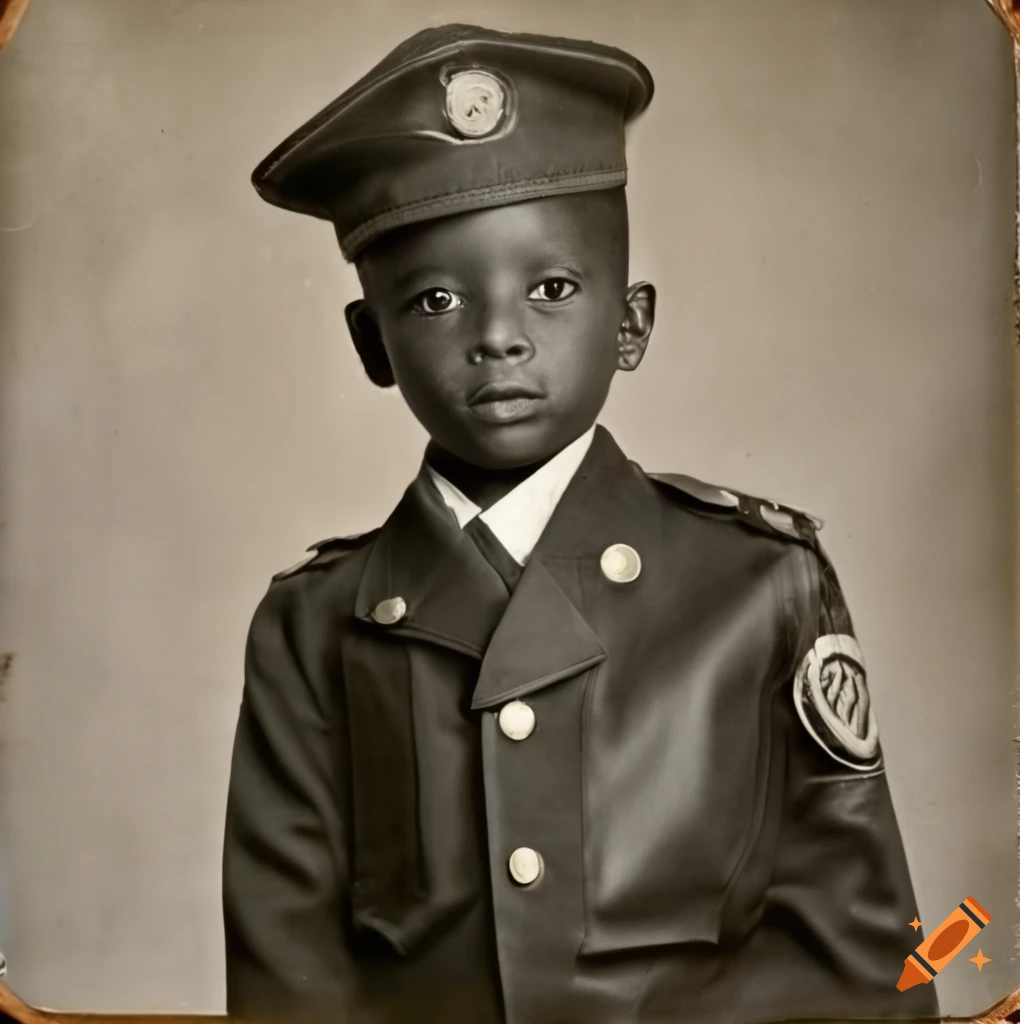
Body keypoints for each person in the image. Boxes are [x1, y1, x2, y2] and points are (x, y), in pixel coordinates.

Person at [222, 23, 938, 1024]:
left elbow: (874, 965)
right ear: (370, 342)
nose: (498, 335)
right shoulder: (313, 625)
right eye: (432, 299)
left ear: (632, 321)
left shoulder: (759, 584)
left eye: (551, 289)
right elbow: (287, 983)